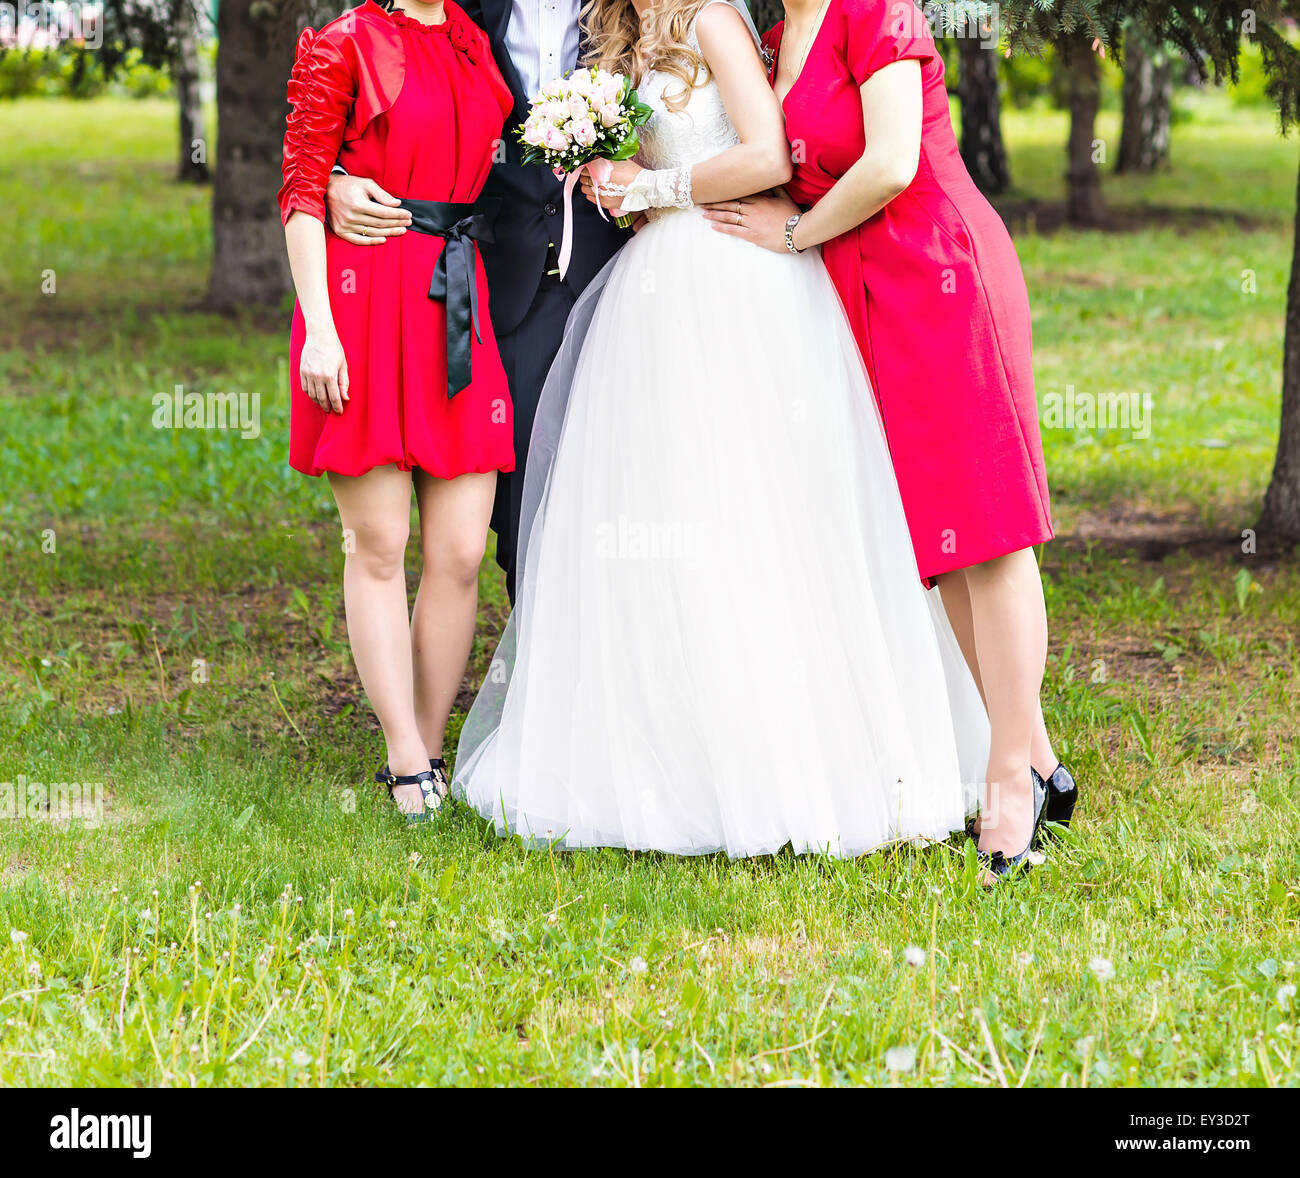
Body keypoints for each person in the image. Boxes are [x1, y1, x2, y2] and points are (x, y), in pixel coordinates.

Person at [453, 0, 991, 862]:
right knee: (658, 512)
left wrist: (656, 187)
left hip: (737, 282)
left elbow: (768, 155)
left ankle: (794, 756)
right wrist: (611, 181)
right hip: (655, 289)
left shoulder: (715, 22)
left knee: (754, 506)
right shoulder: (623, 40)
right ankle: (668, 743)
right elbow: (646, 170)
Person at [705, 0, 1076, 875]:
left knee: (993, 531)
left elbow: (890, 163)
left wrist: (793, 234)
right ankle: (1041, 764)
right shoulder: (771, 35)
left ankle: (1007, 782)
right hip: (864, 301)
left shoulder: (875, 11)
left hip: (941, 274)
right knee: (935, 546)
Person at [279, 0, 514, 820]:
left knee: (456, 554)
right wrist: (320, 332)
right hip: (362, 297)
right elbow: (303, 195)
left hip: (457, 294)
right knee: (378, 543)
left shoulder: (472, 43)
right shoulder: (343, 42)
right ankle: (404, 759)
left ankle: (431, 739)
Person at [323, 0, 631, 602]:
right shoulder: (454, 8)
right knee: (517, 507)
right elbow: (376, 103)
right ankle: (533, 680)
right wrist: (334, 179)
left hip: (621, 267)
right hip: (488, 277)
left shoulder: (635, 7)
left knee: (624, 485)